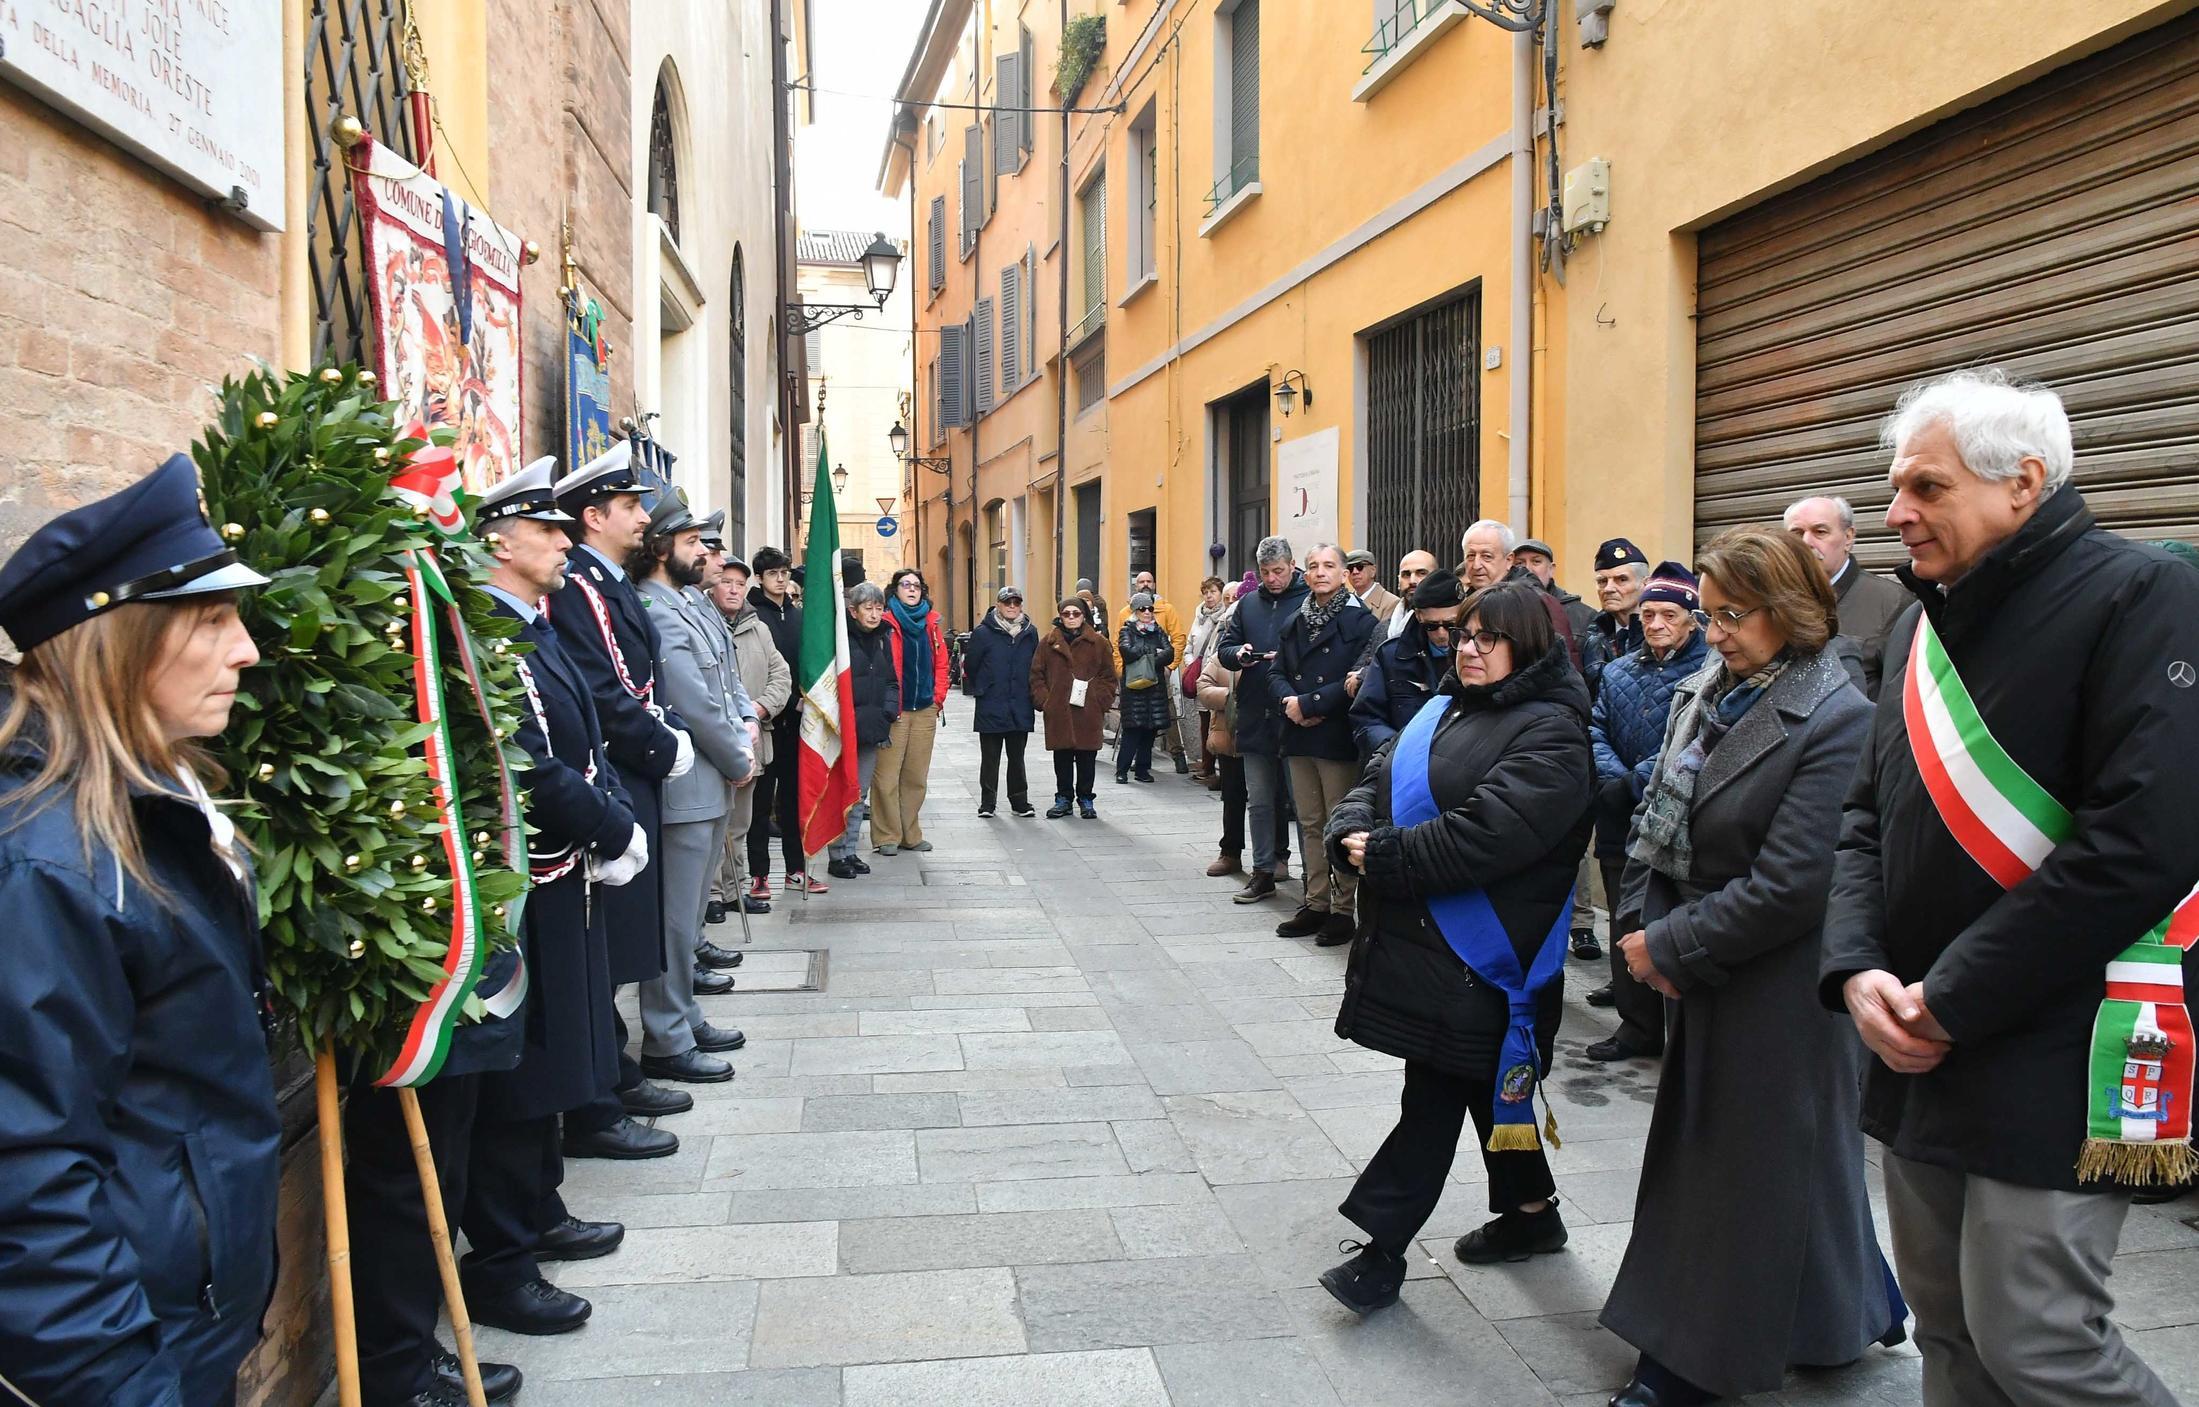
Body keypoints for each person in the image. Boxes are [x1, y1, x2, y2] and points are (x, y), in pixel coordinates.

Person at [1822, 369, 2198, 1407]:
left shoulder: (2143, 594)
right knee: (1946, 1336)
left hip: (2057, 1038)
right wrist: (1857, 969)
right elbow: (1863, 820)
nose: (1896, 512)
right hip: (1916, 1035)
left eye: (1927, 489)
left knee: (2039, 1342)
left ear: (2023, 483)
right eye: (1897, 488)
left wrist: (1951, 996)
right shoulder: (1916, 626)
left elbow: (2145, 840)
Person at [1599, 527, 1901, 1406]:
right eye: (1709, 610)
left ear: (1791, 613)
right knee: (1784, 1161)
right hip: (1711, 957)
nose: (1715, 629)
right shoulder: (1712, 689)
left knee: (1742, 1172)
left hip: (1781, 983)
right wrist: (1641, 925)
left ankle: (1695, 1361)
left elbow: (1792, 886)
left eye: (1733, 614)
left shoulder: (1839, 714)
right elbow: (1662, 820)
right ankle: (1852, 1307)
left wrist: (1669, 945)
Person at [0, 454, 277, 1407]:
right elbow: (27, 1176)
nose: (245, 650)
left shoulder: (145, 801)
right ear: (118, 643)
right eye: (211, 621)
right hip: (123, 1354)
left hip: (176, 1318)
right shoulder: (44, 863)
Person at [349, 461, 615, 1395]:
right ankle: (480, 1278)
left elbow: (575, 731)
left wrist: (608, 807)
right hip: (466, 900)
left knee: (520, 1075)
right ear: (493, 538)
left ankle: (518, 1233)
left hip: (507, 883)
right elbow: (521, 759)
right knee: (478, 1107)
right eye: (547, 529)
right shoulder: (459, 636)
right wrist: (601, 816)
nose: (564, 541)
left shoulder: (508, 629)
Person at [1316, 581, 1592, 1314]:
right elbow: (1375, 779)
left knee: (1431, 1098)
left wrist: (1383, 854)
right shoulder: (1443, 707)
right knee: (1477, 1083)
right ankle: (1533, 1213)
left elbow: (1487, 834)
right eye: (1461, 636)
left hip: (1490, 957)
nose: (1465, 648)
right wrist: (1348, 833)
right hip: (1427, 950)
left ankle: (1380, 1251)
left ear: (1527, 645)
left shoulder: (1554, 733)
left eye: (1484, 638)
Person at [546, 445, 693, 1159]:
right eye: (632, 508)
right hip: (617, 771)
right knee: (602, 945)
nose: (644, 520)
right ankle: (599, 1093)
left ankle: (614, 1071)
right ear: (594, 515)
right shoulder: (579, 586)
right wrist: (661, 746)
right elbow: (601, 688)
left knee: (615, 940)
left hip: (626, 770)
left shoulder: (601, 581)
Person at [635, 492, 751, 1083]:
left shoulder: (682, 603)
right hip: (689, 783)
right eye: (690, 543)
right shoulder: (656, 609)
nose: (703, 551)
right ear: (661, 550)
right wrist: (737, 754)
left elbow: (724, 684)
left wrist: (742, 740)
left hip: (710, 779)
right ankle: (667, 1033)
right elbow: (691, 700)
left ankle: (682, 1015)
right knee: (676, 918)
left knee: (687, 914)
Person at [1582, 562, 1708, 1057]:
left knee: (1671, 919)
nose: (1654, 623)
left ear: (1693, 619)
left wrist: (1640, 780)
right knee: (1624, 916)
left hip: (1678, 817)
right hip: (1619, 816)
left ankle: (1681, 1030)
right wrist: (1616, 781)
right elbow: (1594, 730)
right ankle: (1636, 1026)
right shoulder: (1617, 670)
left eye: (1668, 614)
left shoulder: (1709, 671)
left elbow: (1693, 737)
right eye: (1649, 613)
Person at [1271, 544, 1376, 946]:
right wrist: (1289, 703)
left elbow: (1358, 678)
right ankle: (1315, 901)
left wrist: (1311, 703)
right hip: (1298, 731)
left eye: (1329, 566)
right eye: (1313, 566)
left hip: (1335, 732)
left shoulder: (1360, 621)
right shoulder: (1298, 619)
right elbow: (1277, 670)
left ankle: (1342, 908)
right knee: (1309, 821)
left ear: (1345, 572)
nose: (1320, 573)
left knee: (1339, 823)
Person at [1219, 536, 1311, 903]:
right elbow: (1225, 648)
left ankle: (1313, 881)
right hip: (1256, 714)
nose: (1272, 579)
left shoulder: (1307, 601)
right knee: (1258, 800)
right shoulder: (1247, 605)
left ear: (1292, 566)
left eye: (1278, 571)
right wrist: (1238, 654)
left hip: (1295, 716)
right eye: (1265, 572)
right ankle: (1262, 872)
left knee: (1305, 806)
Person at [713, 553, 792, 919]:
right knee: (712, 822)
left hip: (753, 739)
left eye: (739, 584)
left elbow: (782, 676)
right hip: (711, 742)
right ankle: (711, 896)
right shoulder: (701, 624)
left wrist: (758, 711)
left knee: (740, 823)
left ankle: (735, 889)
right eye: (726, 582)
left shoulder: (757, 627)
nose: (733, 589)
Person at [744, 545, 822, 897]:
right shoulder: (751, 617)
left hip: (797, 724)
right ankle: (759, 873)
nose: (780, 578)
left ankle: (796, 870)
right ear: (759, 578)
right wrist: (786, 702)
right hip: (764, 721)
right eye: (773, 573)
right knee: (759, 804)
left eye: (784, 572)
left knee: (793, 801)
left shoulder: (798, 616)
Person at [1784, 494, 1910, 700]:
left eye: (1820, 532)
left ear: (1848, 538)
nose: (1806, 542)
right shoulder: (1772, 602)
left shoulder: (1893, 603)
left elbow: (1903, 700)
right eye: (1796, 534)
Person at [1350, 567, 1467, 758]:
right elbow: (1366, 717)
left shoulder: (1478, 653)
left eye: (1450, 625)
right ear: (1419, 616)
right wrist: (1397, 749)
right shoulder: (1391, 655)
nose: (1441, 634)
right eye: (1431, 626)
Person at [871, 568, 948, 857]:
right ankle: (886, 835)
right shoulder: (885, 622)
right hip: (895, 710)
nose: (912, 589)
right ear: (896, 590)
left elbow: (941, 663)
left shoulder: (931, 622)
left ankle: (910, 834)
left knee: (916, 776)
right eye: (906, 585)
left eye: (917, 585)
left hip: (925, 708)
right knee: (887, 777)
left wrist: (937, 698)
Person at [829, 583, 900, 876]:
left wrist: (888, 712)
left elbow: (891, 682)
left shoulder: (883, 638)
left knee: (860, 793)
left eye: (878, 608)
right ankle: (836, 854)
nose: (874, 614)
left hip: (871, 727)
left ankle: (850, 851)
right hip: (844, 728)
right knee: (840, 792)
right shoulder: (841, 639)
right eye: (867, 608)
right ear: (853, 611)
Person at [1032, 596, 1116, 818]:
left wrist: (1100, 699)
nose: (1071, 618)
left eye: (1075, 613)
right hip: (1058, 710)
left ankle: (1086, 798)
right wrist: (1045, 702)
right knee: (1062, 756)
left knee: (1087, 757)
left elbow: (1109, 676)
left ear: (1083, 616)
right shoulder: (1048, 643)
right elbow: (1036, 675)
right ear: (1060, 616)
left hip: (1088, 711)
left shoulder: (1098, 643)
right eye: (1066, 614)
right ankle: (1063, 798)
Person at [963, 585, 1039, 817]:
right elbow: (971, 665)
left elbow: (1036, 665)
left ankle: (1019, 802)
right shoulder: (983, 633)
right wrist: (985, 686)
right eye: (1008, 603)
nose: (1012, 607)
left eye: (1016, 603)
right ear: (999, 605)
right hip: (991, 702)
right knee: (990, 758)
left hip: (1020, 703)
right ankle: (988, 803)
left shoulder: (1030, 632)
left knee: (1017, 757)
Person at [1463, 519, 1580, 667]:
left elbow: (1564, 668)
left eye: (1487, 556)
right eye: (1470, 556)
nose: (1476, 565)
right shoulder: (1466, 601)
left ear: (1509, 560)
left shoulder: (1537, 602)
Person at [1131, 569, 1192, 774]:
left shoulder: (1167, 610)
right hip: (1135, 674)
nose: (1146, 584)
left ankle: (1178, 754)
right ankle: (1138, 758)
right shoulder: (1126, 612)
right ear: (1136, 585)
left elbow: (1178, 639)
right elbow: (1117, 643)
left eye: (1149, 581)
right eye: (1141, 581)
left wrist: (1170, 666)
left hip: (1160, 672)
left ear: (1155, 585)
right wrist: (1122, 670)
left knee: (1168, 714)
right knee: (1137, 715)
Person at [1116, 592, 1179, 784]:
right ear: (1135, 611)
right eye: (1142, 608)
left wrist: (1147, 657)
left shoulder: (1158, 630)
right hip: (1134, 688)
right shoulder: (1127, 630)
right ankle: (1122, 770)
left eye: (1150, 608)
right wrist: (1153, 653)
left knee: (1149, 730)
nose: (1147, 612)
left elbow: (1169, 653)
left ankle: (1143, 770)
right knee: (1132, 730)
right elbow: (1127, 651)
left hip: (1154, 687)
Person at [1583, 537, 1650, 698]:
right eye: (1602, 581)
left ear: (1645, 584)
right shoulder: (1589, 635)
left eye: (1621, 580)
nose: (1609, 588)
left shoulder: (1661, 633)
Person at [1183, 575, 1230, 784]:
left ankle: (1219, 769)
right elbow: (1190, 645)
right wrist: (1191, 662)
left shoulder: (1225, 616)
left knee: (1218, 724)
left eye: (1213, 592)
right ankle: (1207, 765)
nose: (1209, 596)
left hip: (1218, 679)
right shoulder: (1199, 616)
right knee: (1204, 724)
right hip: (1201, 678)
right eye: (1206, 592)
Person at [1514, 537, 1595, 643]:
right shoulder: (1501, 611)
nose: (1528, 569)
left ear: (1551, 569)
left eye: (1536, 562)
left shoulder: (1583, 615)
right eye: (1519, 563)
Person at [1344, 549, 1399, 624]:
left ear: (1373, 570)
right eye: (1350, 568)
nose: (1355, 572)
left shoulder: (1391, 603)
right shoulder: (1345, 602)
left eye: (1360, 567)